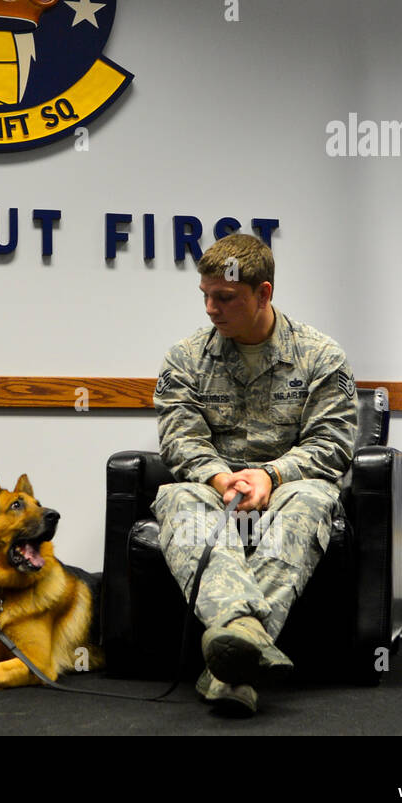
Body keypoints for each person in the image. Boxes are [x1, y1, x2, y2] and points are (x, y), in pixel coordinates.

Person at [151, 233, 357, 716]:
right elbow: (181, 441)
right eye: (204, 296)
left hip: (288, 487)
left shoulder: (320, 356)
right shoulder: (185, 359)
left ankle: (228, 663)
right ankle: (242, 639)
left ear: (263, 293)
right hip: (215, 489)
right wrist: (220, 478)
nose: (210, 309)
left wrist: (273, 474)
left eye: (224, 298)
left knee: (312, 498)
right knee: (178, 497)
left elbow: (332, 444)